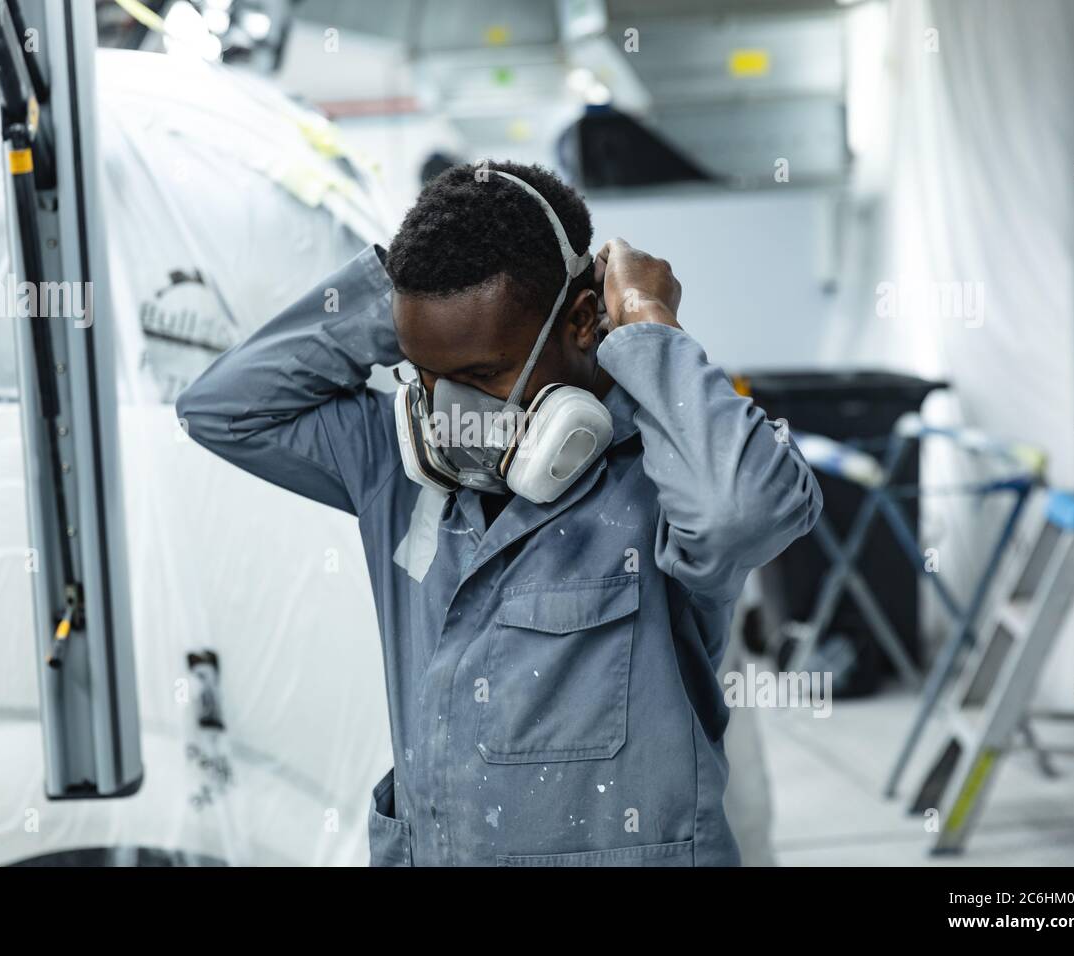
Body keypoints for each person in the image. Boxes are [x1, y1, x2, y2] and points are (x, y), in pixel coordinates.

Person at [176, 160, 822, 866]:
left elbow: (743, 514)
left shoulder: (663, 470)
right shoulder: (393, 468)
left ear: (580, 322)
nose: (451, 416)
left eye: (482, 375)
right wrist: (394, 304)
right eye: (425, 375)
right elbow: (222, 410)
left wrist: (646, 325)